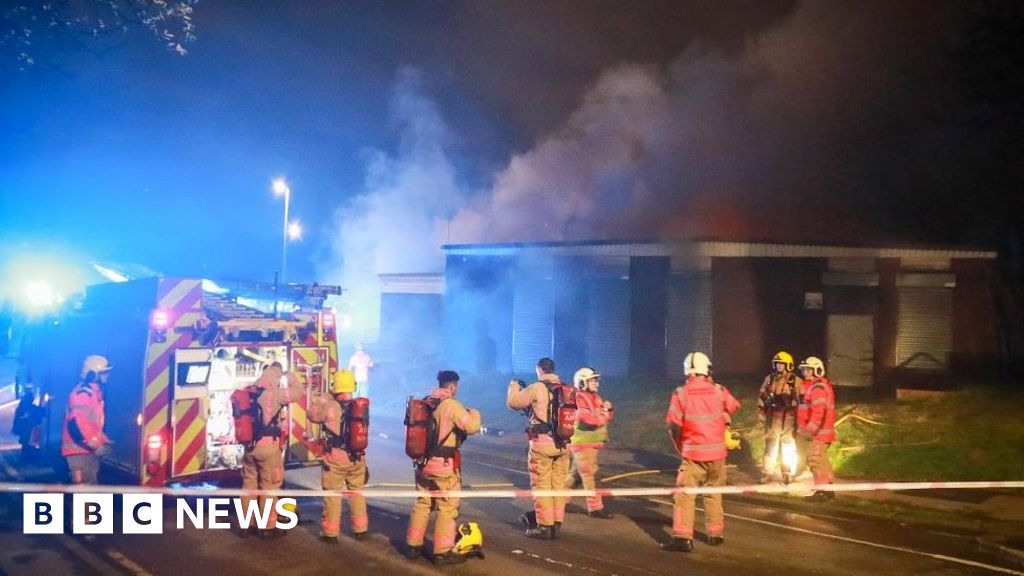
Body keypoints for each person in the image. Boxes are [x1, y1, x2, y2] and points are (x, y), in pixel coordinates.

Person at [662, 352, 741, 552]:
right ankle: (715, 534)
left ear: (687, 371)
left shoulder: (681, 393)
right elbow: (733, 406)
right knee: (713, 493)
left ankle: (682, 538)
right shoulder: (718, 390)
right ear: (707, 370)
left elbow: (673, 425)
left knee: (684, 495)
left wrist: (680, 445)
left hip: (693, 455)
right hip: (718, 455)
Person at [405, 370, 481, 565]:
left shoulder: (426, 402)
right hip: (443, 466)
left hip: (422, 464)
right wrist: (475, 413)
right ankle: (442, 551)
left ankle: (413, 545)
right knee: (447, 507)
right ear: (453, 386)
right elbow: (471, 427)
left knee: (422, 503)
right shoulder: (451, 405)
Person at [239, 362, 306, 538]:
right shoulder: (274, 394)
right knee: (269, 486)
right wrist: (289, 376)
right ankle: (267, 527)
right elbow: (299, 392)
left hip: (249, 448)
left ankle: (247, 525)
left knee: (249, 485)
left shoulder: (249, 392)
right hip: (268, 448)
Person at [507, 357, 571, 539]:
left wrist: (513, 386)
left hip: (543, 445)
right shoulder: (566, 389)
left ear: (540, 370)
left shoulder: (537, 388)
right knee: (558, 486)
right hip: (563, 445)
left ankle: (544, 527)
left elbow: (513, 402)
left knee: (542, 485)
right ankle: (556, 523)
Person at [308, 369, 368, 543]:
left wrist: (323, 398)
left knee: (333, 495)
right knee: (357, 493)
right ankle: (361, 529)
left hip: (336, 458)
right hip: (357, 458)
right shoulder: (360, 407)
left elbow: (311, 415)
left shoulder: (330, 406)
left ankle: (331, 533)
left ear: (335, 386)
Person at [569, 367, 614, 519]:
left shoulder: (594, 397)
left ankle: (559, 499)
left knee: (574, 477)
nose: (597, 383)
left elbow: (603, 417)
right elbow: (591, 420)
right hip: (583, 444)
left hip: (588, 444)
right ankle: (595, 508)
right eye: (593, 380)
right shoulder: (579, 398)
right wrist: (605, 413)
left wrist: (608, 410)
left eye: (596, 380)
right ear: (582, 382)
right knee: (591, 475)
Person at [62, 355, 112, 486]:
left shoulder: (93, 393)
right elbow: (77, 424)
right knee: (85, 492)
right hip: (79, 453)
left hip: (85, 451)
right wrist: (96, 445)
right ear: (92, 374)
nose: (107, 375)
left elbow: (92, 424)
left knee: (89, 491)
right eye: (104, 372)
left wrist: (104, 441)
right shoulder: (83, 394)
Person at [796, 356, 837, 501]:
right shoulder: (815, 386)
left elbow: (818, 413)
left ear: (817, 370)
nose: (805, 373)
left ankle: (821, 492)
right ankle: (828, 490)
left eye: (808, 370)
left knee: (815, 462)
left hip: (818, 434)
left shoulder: (817, 388)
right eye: (804, 370)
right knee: (822, 461)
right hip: (821, 433)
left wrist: (809, 430)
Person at [757, 351, 801, 482]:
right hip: (773, 417)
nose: (779, 366)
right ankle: (767, 472)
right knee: (771, 445)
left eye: (782, 364)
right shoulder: (769, 379)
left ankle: (788, 472)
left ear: (788, 365)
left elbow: (802, 399)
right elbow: (762, 396)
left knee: (789, 446)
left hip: (789, 418)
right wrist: (761, 412)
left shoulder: (796, 381)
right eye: (777, 364)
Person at [12, 386, 44, 461]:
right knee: (28, 444)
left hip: (27, 430)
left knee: (27, 444)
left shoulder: (22, 408)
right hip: (27, 429)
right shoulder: (27, 408)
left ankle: (27, 457)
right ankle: (28, 457)